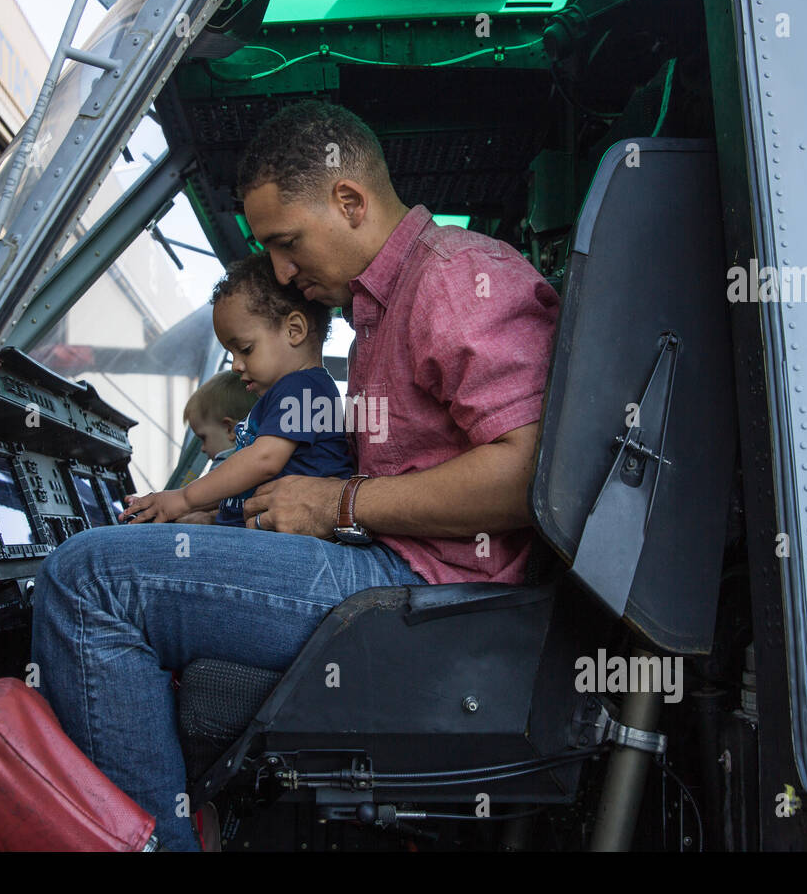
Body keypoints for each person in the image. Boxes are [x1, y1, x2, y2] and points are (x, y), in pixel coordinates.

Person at [31, 100, 559, 851]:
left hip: (433, 603)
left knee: (89, 579)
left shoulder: (454, 278)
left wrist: (338, 503)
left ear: (349, 201)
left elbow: (530, 476)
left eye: (286, 243)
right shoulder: (386, 307)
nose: (281, 271)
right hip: (402, 579)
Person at [123, 254, 354, 528]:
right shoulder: (287, 392)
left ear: (294, 330)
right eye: (231, 353)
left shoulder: (304, 388)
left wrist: (184, 498)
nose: (235, 365)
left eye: (245, 349)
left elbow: (264, 460)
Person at [171, 370, 256, 525]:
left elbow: (206, 500)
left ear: (229, 429)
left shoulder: (228, 464)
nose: (203, 448)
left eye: (204, 438)